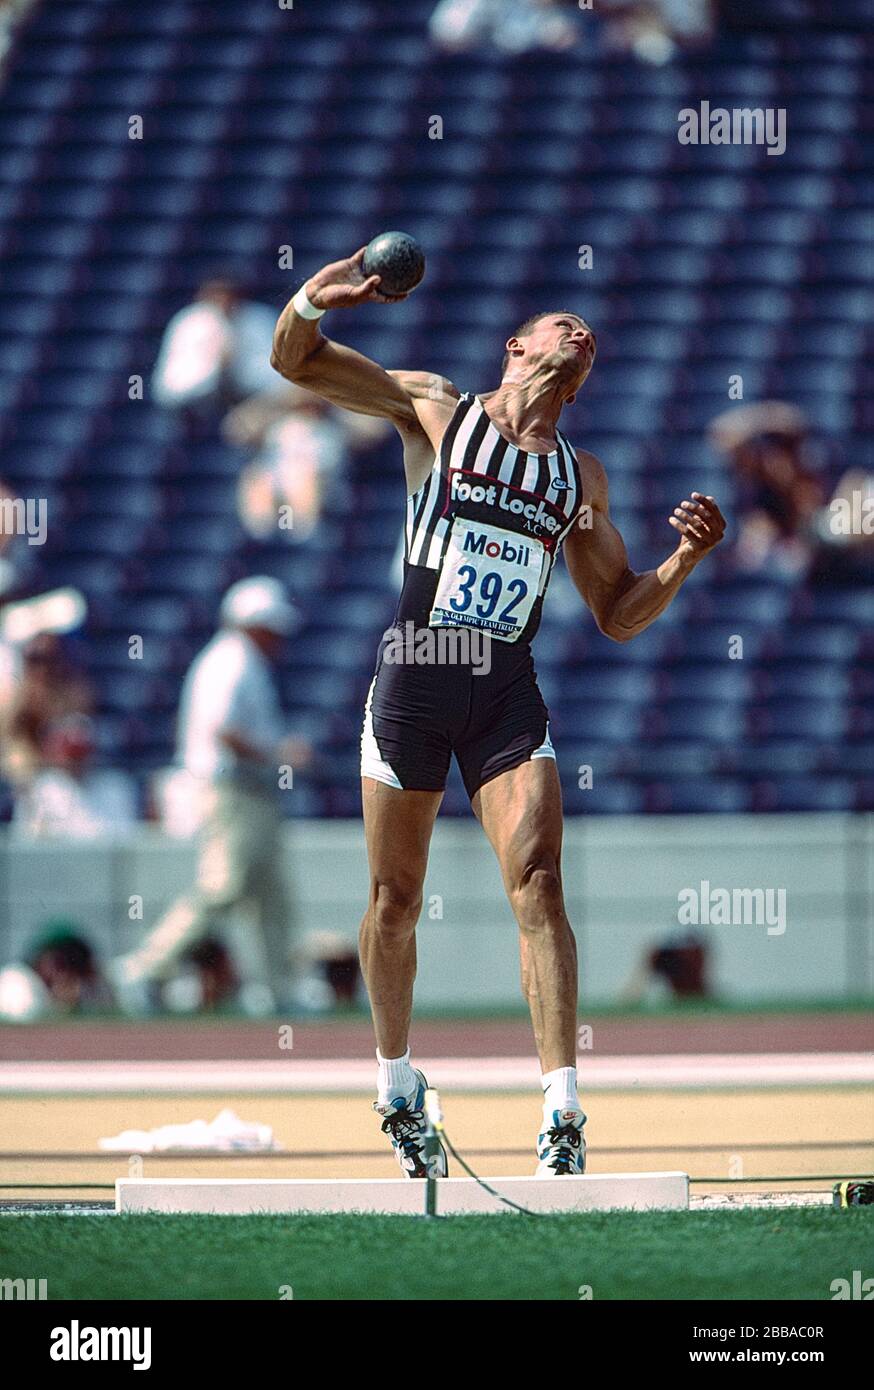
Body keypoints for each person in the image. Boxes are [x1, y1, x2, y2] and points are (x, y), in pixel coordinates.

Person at [270, 246, 726, 1177]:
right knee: (394, 902)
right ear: (516, 346)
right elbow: (296, 361)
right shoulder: (436, 408)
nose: (581, 336)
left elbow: (616, 612)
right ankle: (398, 1084)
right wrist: (323, 289)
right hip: (416, 675)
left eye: (589, 340)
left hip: (504, 688)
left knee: (541, 884)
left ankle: (562, 1112)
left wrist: (681, 563)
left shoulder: (579, 481)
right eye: (565, 325)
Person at [110, 577, 307, 1015]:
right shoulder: (230, 662)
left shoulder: (240, 660)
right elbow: (225, 730)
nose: (279, 638)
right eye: (272, 627)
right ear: (252, 624)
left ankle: (279, 990)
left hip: (252, 790)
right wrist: (280, 752)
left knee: (271, 892)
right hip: (233, 789)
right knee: (224, 885)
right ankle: (146, 968)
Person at [152, 277, 277, 421]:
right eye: (216, 298)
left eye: (229, 298)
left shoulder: (259, 321)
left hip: (253, 405)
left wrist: (238, 368)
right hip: (196, 412)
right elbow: (167, 390)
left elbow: (276, 378)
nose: (223, 304)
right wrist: (215, 368)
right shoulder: (189, 323)